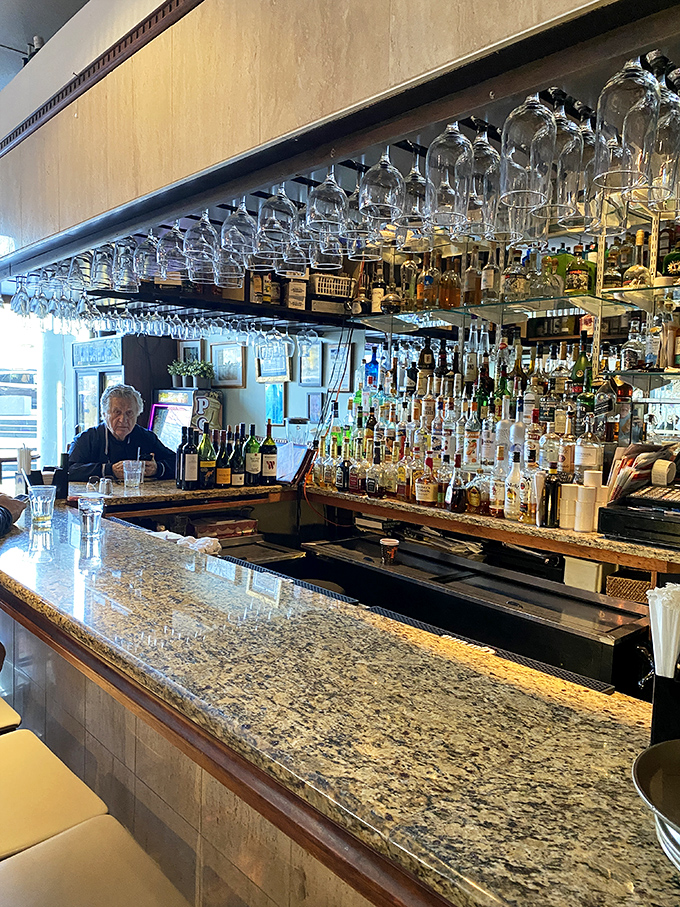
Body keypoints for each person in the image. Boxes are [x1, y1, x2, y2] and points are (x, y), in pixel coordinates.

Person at [68, 384, 175, 482]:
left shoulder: (146, 437)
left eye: (129, 413)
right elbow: (69, 470)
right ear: (104, 414)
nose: (123, 420)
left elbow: (177, 462)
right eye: (117, 412)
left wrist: (157, 468)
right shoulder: (87, 439)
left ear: (137, 414)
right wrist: (109, 470)